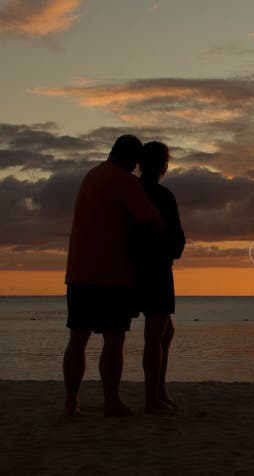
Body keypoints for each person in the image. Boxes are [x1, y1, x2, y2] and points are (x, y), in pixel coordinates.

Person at [63, 135, 164, 417]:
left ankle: (71, 402)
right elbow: (152, 222)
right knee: (114, 338)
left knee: (78, 337)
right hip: (110, 272)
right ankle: (112, 402)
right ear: (133, 160)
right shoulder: (125, 181)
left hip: (79, 270)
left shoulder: (92, 175)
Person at [134, 141, 185, 414]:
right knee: (155, 335)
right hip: (155, 270)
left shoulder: (130, 190)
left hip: (132, 268)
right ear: (164, 166)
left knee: (166, 332)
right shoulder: (162, 195)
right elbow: (176, 241)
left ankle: (159, 390)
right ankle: (152, 398)